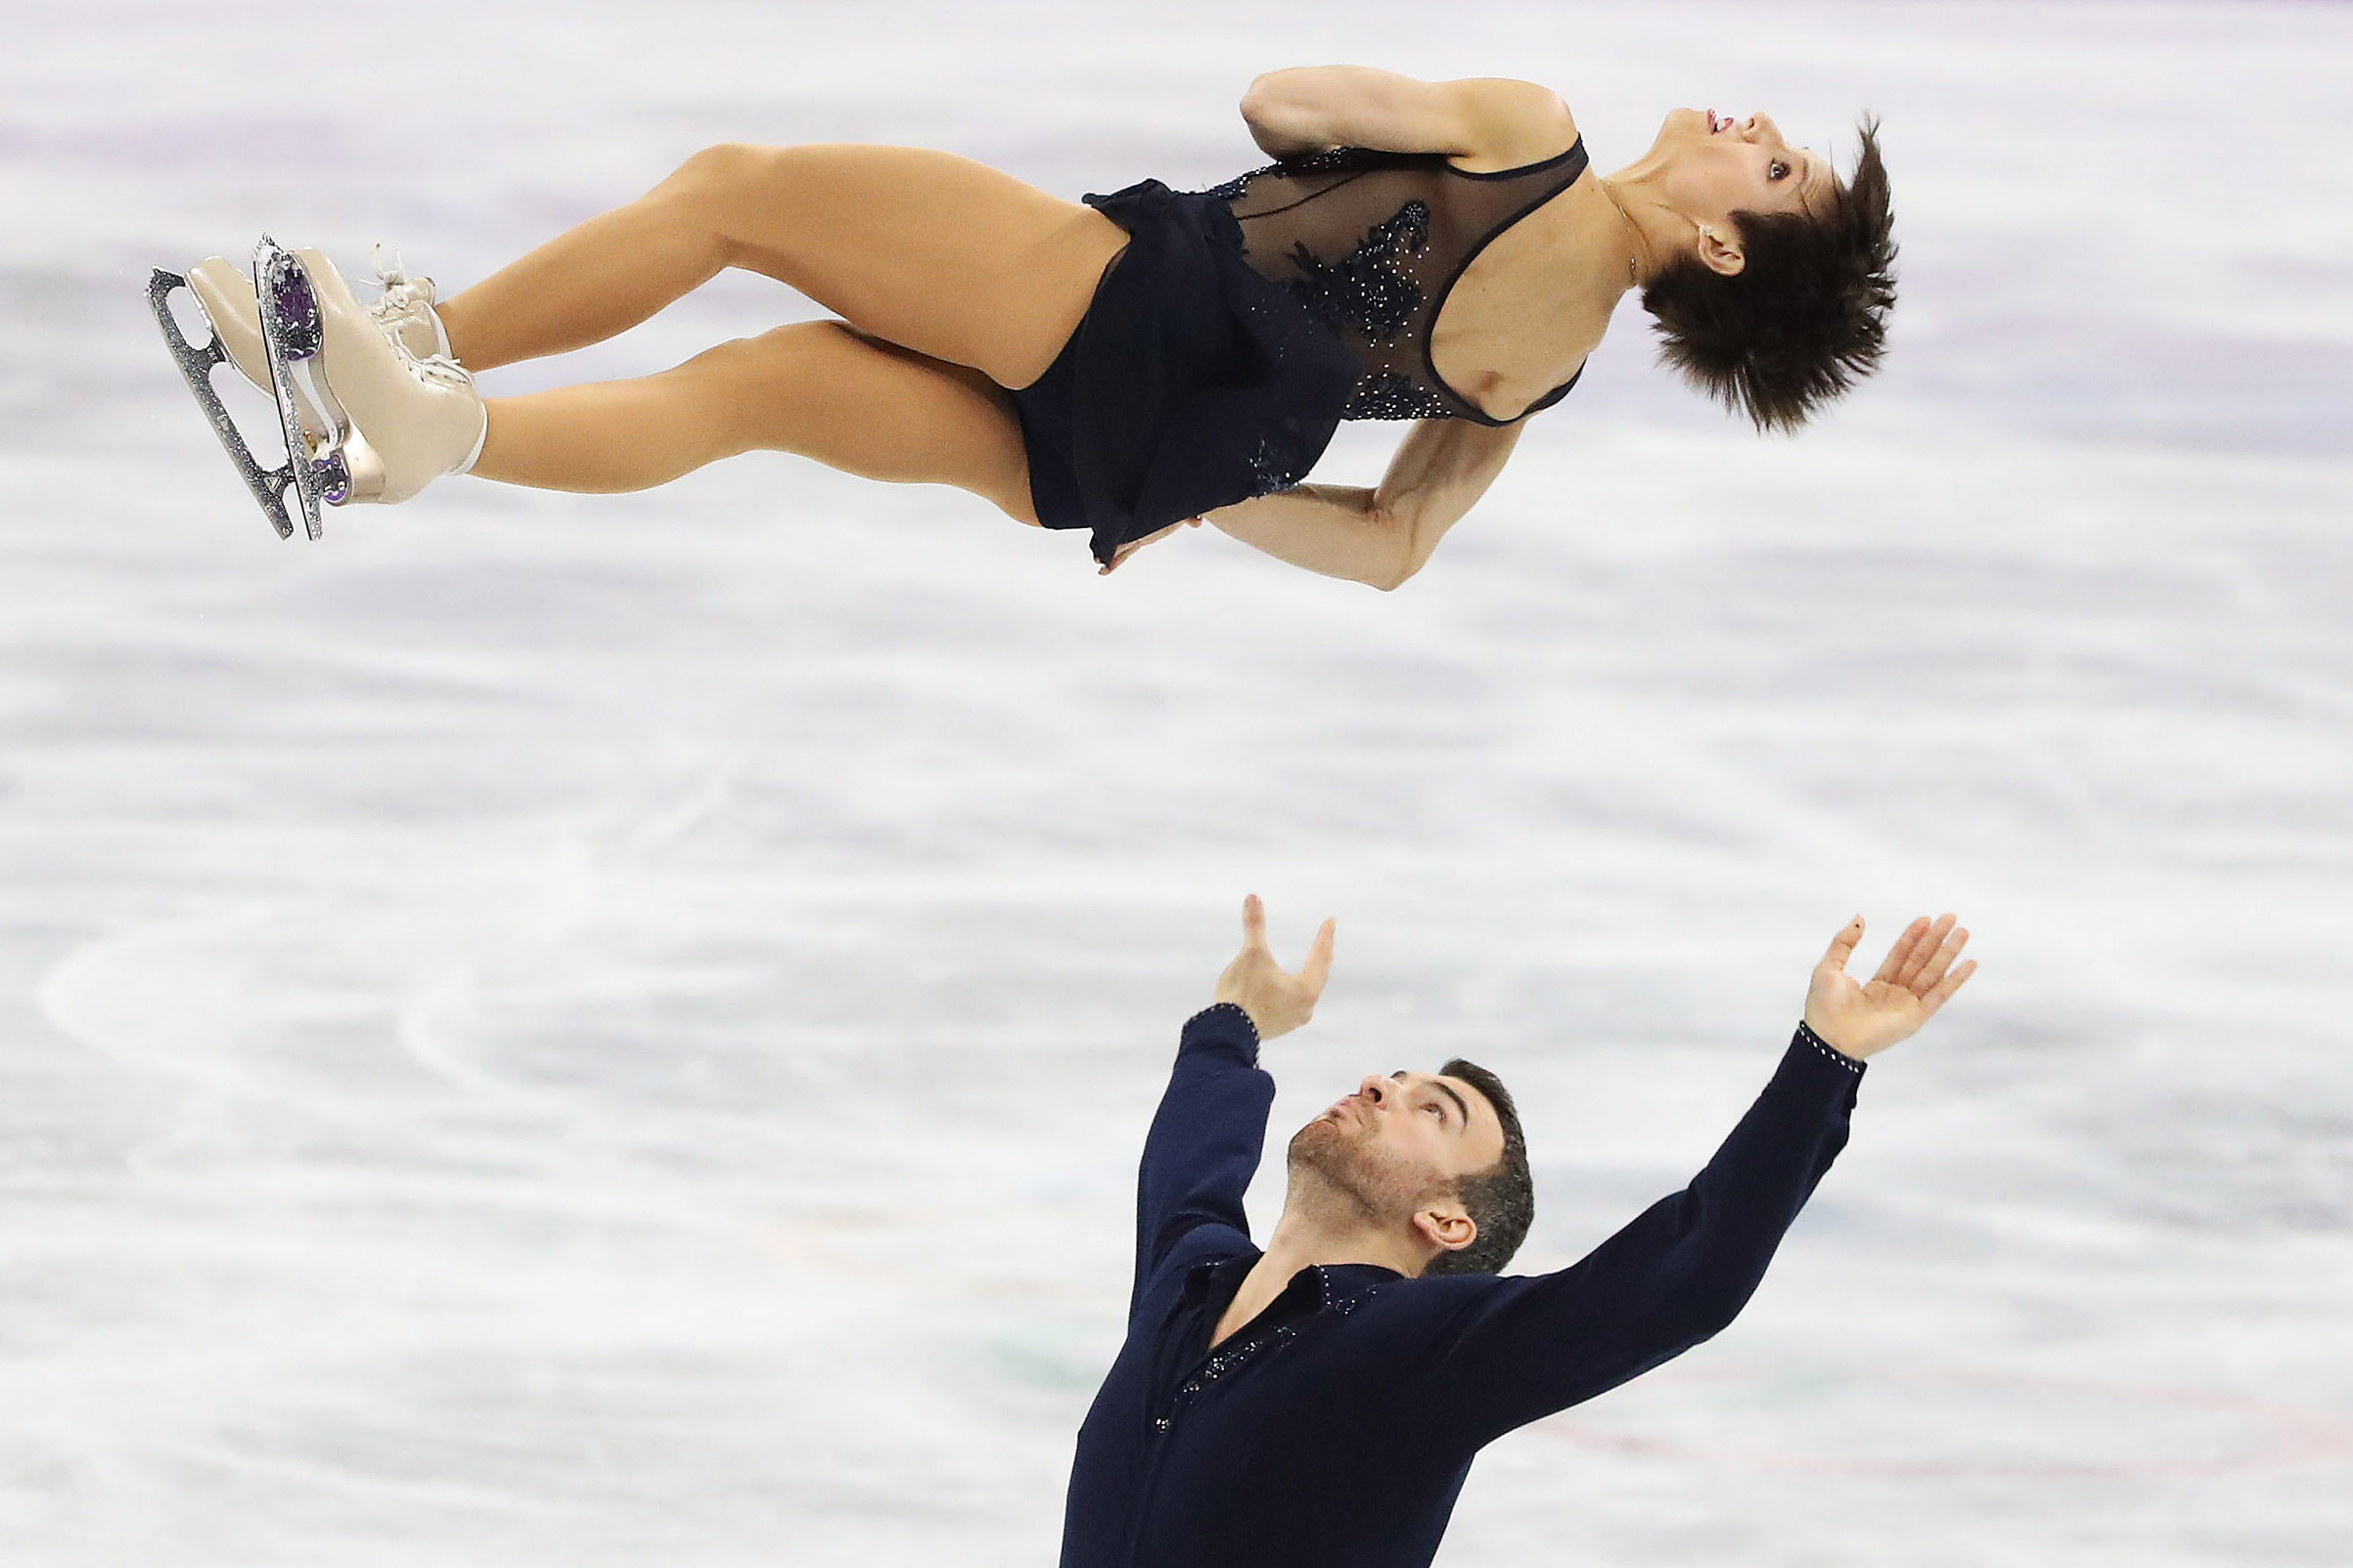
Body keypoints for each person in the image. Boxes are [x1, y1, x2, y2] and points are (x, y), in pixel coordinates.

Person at [175, 67, 1894, 580]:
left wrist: (1340, 135)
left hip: (1112, 298)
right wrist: (1198, 488)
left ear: (1730, 254)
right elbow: (1389, 548)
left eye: (1778, 164)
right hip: (1115, 457)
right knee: (760, 392)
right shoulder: (1543, 377)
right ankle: (432, 439)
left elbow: (1281, 98)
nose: (1750, 122)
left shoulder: (1531, 136)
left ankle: (403, 351)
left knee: (732, 189)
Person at [1062, 895, 1972, 1568]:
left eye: (1433, 1108)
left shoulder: (1418, 1353)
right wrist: (1238, 1021)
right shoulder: (1191, 1281)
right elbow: (1190, 1157)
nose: (1381, 1084)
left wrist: (1825, 1059)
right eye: (1396, 1076)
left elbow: (1689, 1268)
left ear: (1446, 1221)